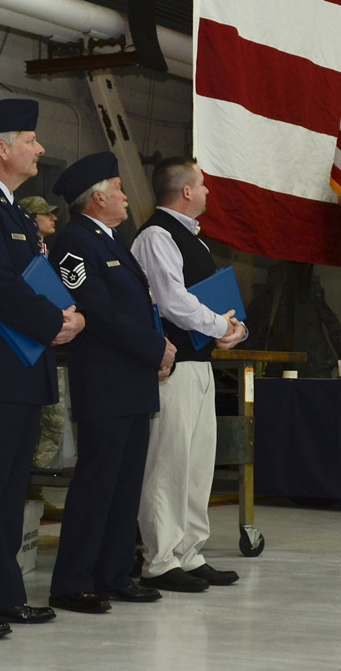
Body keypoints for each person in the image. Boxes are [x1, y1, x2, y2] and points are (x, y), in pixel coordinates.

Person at [0, 99, 86, 636]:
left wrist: (66, 314)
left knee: (10, 487)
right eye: (31, 139)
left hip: (23, 363)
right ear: (2, 148)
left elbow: (33, 276)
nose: (40, 149)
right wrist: (54, 322)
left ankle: (4, 592)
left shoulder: (12, 211)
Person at [44, 152, 174, 613]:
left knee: (124, 484)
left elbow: (137, 307)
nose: (124, 195)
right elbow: (97, 313)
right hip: (104, 380)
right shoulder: (76, 244)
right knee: (98, 483)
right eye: (118, 187)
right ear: (97, 197)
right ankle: (73, 580)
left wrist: (155, 348)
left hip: (132, 381)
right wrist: (152, 347)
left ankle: (114, 572)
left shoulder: (112, 240)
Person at [130, 158, 248, 592]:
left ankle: (189, 551)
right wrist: (221, 325)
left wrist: (235, 327)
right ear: (184, 192)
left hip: (199, 364)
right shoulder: (157, 235)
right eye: (203, 186)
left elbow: (212, 296)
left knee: (197, 464)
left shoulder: (194, 239)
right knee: (168, 464)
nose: (208, 192)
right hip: (172, 366)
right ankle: (159, 558)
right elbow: (171, 300)